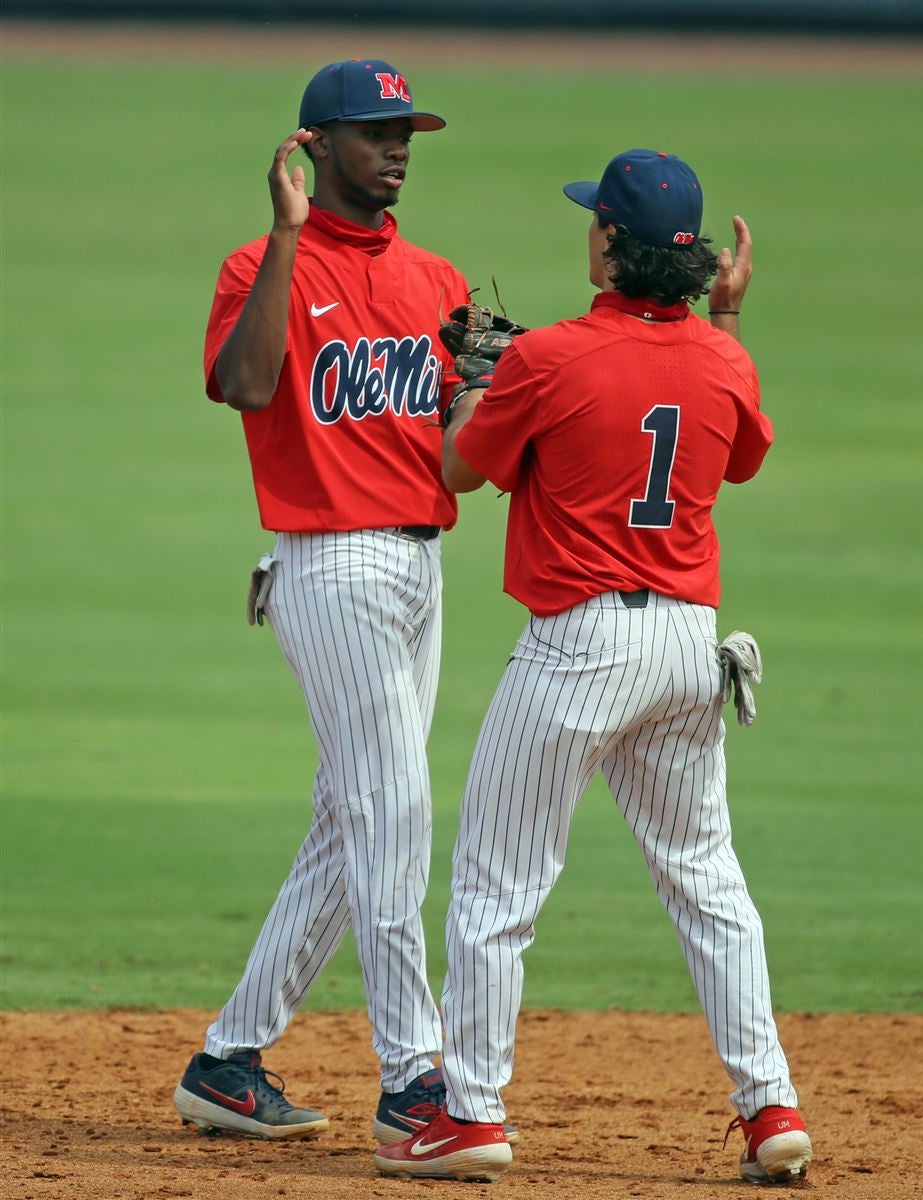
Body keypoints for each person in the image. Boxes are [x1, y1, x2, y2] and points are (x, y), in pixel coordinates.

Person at [374, 149, 813, 1185]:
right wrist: (729, 321)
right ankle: (770, 1107)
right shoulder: (719, 359)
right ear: (699, 262)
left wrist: (478, 388)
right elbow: (742, 454)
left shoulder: (552, 358)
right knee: (708, 883)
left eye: (595, 221)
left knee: (495, 884)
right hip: (686, 648)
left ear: (610, 243)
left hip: (580, 647)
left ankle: (472, 1113)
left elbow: (458, 469)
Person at [173, 58, 476, 1144]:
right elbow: (246, 387)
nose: (398, 146)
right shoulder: (256, 265)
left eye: (407, 131)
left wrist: (487, 392)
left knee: (351, 821)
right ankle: (414, 1087)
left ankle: (228, 1061)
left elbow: (459, 466)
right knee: (393, 809)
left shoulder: (438, 281)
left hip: (417, 565)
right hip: (329, 568)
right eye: (376, 129)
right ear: (314, 146)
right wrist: (290, 239)